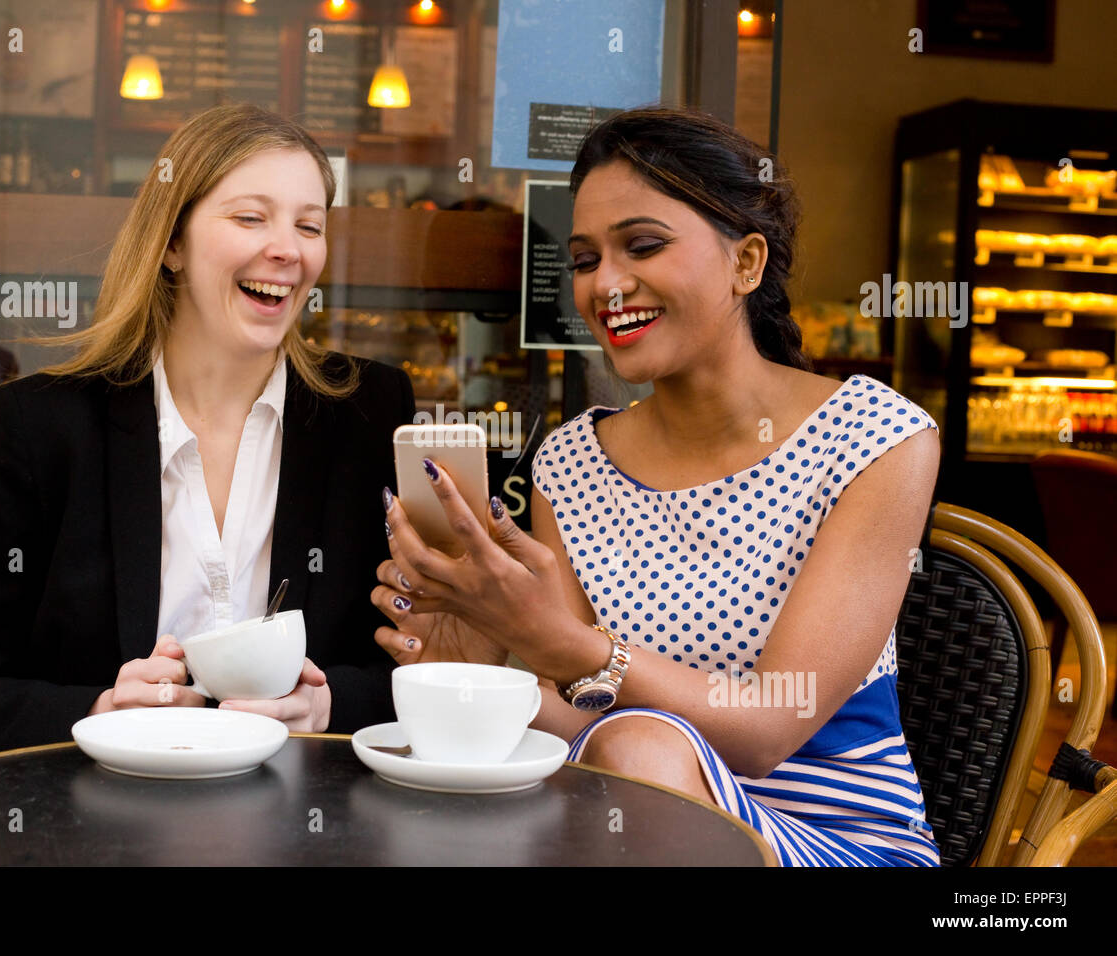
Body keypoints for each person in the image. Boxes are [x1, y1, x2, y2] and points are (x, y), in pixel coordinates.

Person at [371, 107, 942, 866]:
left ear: (746, 263)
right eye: (582, 260)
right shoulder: (570, 463)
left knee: (637, 750)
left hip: (837, 838)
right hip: (631, 821)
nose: (606, 285)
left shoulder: (874, 438)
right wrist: (473, 671)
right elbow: (586, 732)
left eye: (643, 245)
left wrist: (569, 646)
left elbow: (771, 727)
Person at [0, 105, 413, 760]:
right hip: (96, 832)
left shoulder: (368, 410)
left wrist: (329, 705)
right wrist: (99, 712)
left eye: (309, 225)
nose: (288, 249)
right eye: (250, 217)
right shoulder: (44, 424)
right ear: (173, 243)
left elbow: (422, 666)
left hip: (308, 830)